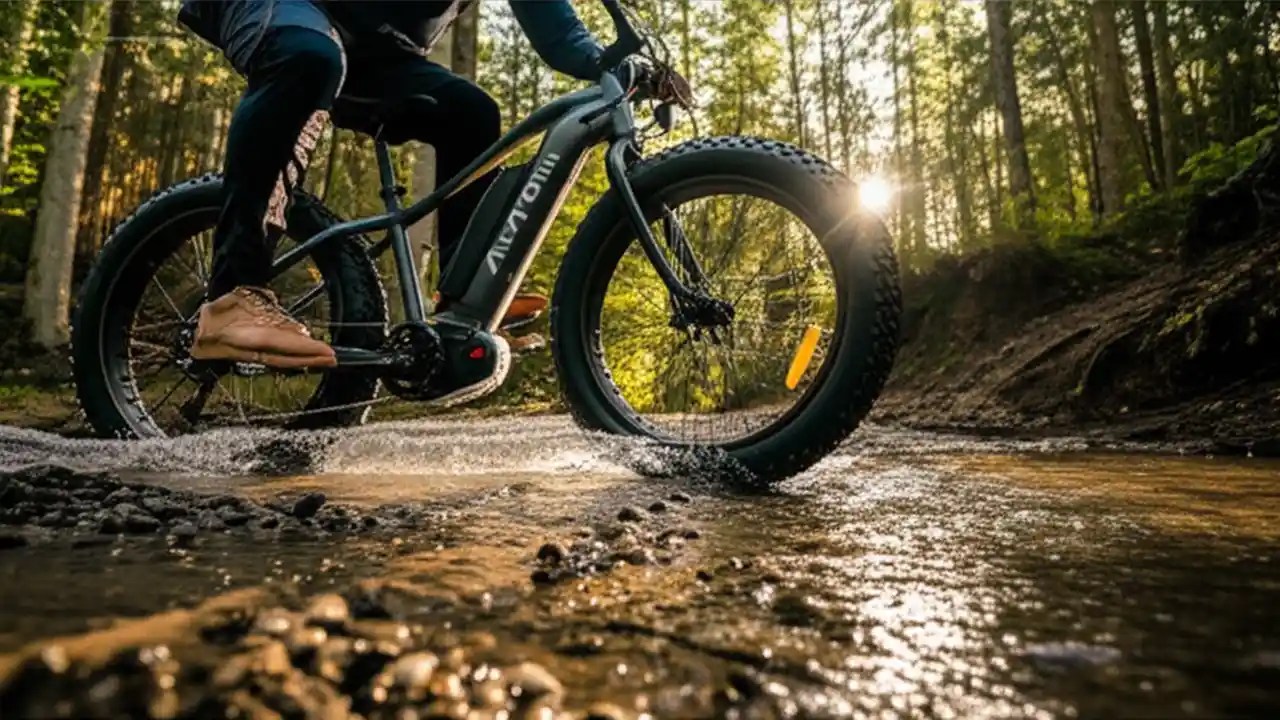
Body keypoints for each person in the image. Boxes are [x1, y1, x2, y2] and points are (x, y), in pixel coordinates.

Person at [176, 0, 604, 373]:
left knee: (470, 113)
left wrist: (610, 64)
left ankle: (466, 303)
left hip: (370, 49)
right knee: (307, 56)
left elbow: (559, 34)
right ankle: (232, 297)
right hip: (288, 10)